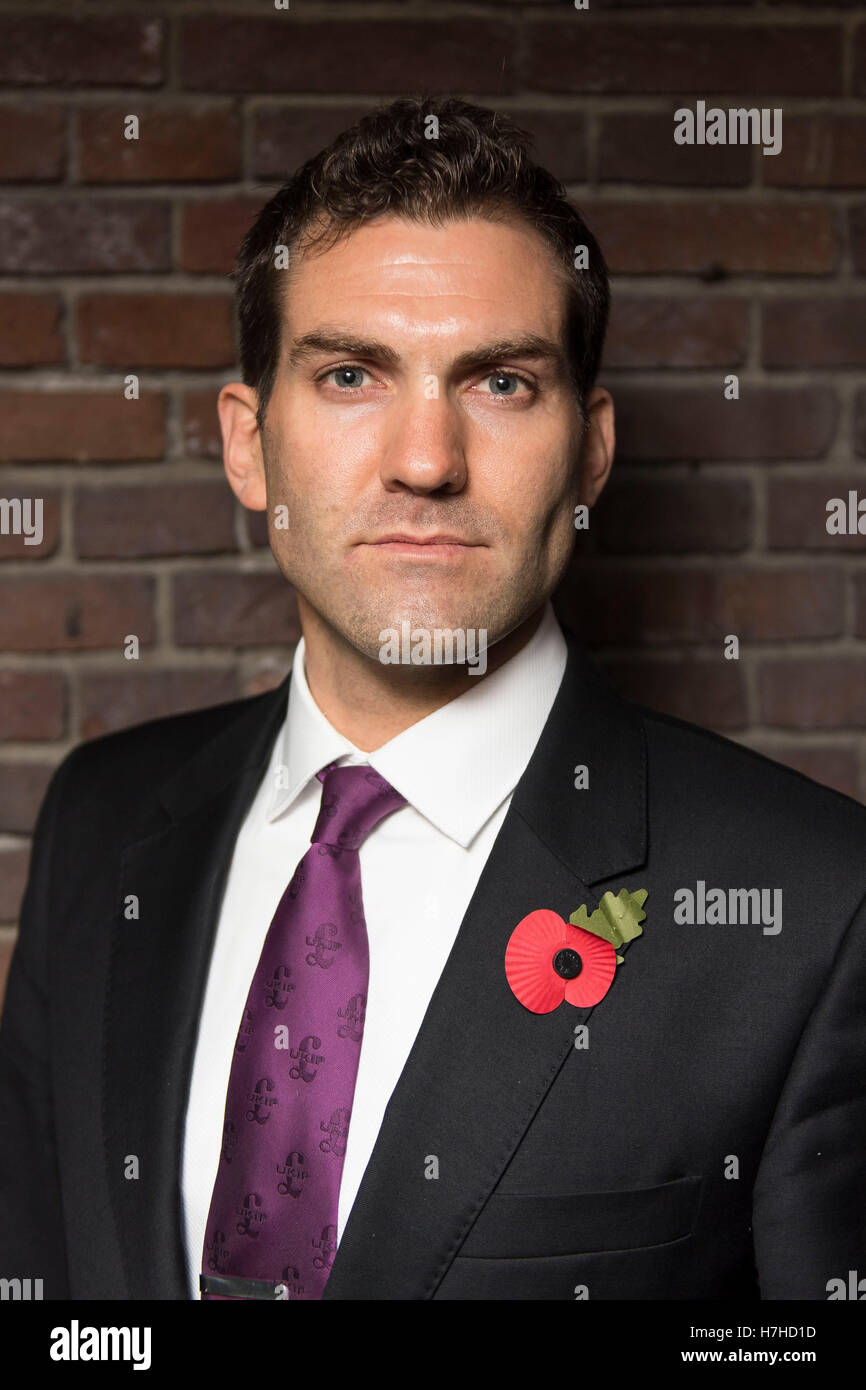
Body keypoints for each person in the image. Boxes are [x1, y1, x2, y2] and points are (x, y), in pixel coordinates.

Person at [0, 95, 863, 1302]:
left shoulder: (818, 905)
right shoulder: (101, 819)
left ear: (590, 450)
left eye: (499, 382)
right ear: (248, 445)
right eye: (351, 373)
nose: (424, 458)